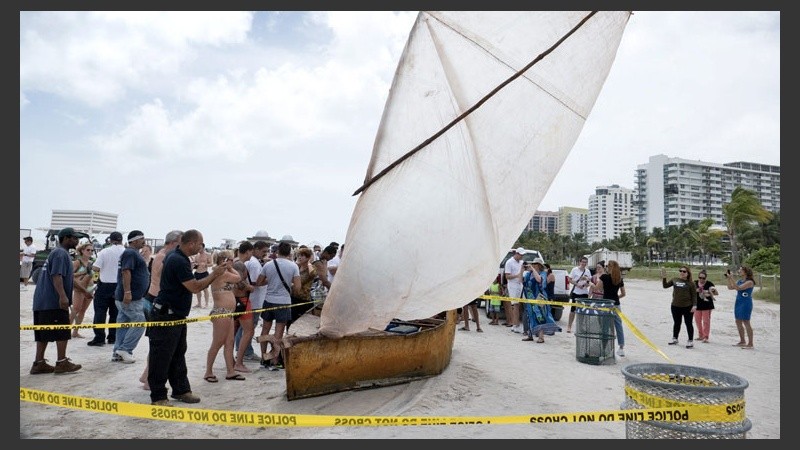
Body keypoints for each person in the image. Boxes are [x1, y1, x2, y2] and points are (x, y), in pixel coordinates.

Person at [147, 229, 229, 406]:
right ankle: (159, 396)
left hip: (174, 314)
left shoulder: (179, 257)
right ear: (191, 243)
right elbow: (194, 287)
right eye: (200, 244)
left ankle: (181, 390)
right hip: (166, 316)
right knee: (161, 357)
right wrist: (214, 274)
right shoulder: (177, 259)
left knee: (177, 354)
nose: (201, 248)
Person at [30, 227, 89, 375]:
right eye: (75, 238)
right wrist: (63, 297)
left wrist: (83, 291)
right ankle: (62, 362)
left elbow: (66, 278)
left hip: (43, 301)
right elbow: (56, 276)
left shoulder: (59, 254)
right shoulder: (60, 254)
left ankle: (39, 363)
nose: (77, 241)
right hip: (53, 301)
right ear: (66, 238)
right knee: (62, 331)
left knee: (44, 332)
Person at [140, 230, 183, 390]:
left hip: (152, 299)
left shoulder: (161, 255)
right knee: (159, 344)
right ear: (173, 242)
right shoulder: (165, 257)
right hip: (155, 302)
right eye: (180, 243)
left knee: (156, 343)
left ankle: (146, 375)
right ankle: (149, 380)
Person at [256, 241, 300, 371]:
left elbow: (259, 282)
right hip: (284, 302)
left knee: (265, 329)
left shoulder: (268, 265)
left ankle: (264, 358)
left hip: (269, 300)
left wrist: (271, 282)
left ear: (277, 251)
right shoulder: (293, 266)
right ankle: (274, 360)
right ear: (290, 252)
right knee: (278, 332)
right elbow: (297, 287)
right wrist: (289, 284)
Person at [204, 250, 245, 382]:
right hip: (221, 312)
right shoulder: (221, 273)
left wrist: (229, 267)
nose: (233, 262)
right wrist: (230, 267)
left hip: (228, 313)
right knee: (217, 342)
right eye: (231, 260)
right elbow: (238, 277)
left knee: (229, 342)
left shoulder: (223, 272)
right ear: (225, 260)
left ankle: (230, 371)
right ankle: (208, 372)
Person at [111, 230, 150, 364]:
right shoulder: (130, 253)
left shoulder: (133, 253)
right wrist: (128, 292)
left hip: (129, 296)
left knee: (123, 324)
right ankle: (125, 349)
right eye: (141, 238)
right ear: (133, 240)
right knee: (140, 322)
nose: (144, 241)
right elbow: (126, 272)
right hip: (129, 297)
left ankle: (117, 352)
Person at [88, 231, 125, 347]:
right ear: (121, 240)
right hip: (119, 285)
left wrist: (90, 265)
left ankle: (99, 338)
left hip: (104, 285)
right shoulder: (126, 252)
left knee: (100, 312)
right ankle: (112, 337)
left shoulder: (105, 252)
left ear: (110, 240)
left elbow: (96, 268)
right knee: (115, 313)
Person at [521, 258, 559, 343]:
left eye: (535, 264)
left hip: (540, 297)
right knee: (530, 315)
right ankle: (530, 335)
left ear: (539, 265)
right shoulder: (528, 274)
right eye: (533, 264)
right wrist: (521, 270)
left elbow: (539, 280)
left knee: (540, 315)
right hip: (530, 297)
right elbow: (520, 281)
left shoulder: (543, 274)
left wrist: (533, 270)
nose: (533, 265)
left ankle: (541, 337)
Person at [661, 265, 697, 348]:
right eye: (680, 271)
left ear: (688, 273)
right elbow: (665, 286)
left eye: (684, 271)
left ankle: (690, 340)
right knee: (677, 322)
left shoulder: (691, 283)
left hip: (687, 306)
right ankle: (675, 338)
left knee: (688, 323)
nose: (682, 273)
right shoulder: (675, 280)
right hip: (675, 305)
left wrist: (694, 305)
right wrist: (664, 278)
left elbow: (694, 296)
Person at [600, 260, 627, 357]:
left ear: (610, 267)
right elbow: (623, 294)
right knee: (618, 325)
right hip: (616, 304)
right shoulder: (619, 279)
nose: (606, 267)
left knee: (605, 326)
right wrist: (615, 298)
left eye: (607, 266)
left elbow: (597, 288)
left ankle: (604, 347)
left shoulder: (604, 277)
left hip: (606, 304)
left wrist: (590, 284)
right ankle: (621, 347)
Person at [69, 242, 95, 338]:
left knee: (83, 311)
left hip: (90, 288)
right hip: (80, 288)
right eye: (88, 250)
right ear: (82, 251)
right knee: (75, 309)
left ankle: (75, 331)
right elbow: (70, 275)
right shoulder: (77, 262)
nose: (90, 252)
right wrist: (84, 272)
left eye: (92, 250)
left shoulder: (92, 262)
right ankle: (66, 329)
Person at [726, 265, 756, 349]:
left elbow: (738, 288)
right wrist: (728, 278)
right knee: (738, 321)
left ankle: (750, 343)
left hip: (746, 302)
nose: (739, 271)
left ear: (745, 272)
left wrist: (732, 278)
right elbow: (729, 287)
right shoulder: (740, 280)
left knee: (746, 322)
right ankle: (742, 341)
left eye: (740, 270)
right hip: (739, 302)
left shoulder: (750, 282)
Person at [566, 256, 591, 333]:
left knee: (583, 311)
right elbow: (569, 279)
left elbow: (589, 281)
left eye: (585, 262)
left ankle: (581, 327)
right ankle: (569, 326)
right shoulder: (574, 270)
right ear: (579, 262)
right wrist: (577, 284)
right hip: (576, 292)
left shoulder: (587, 271)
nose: (583, 263)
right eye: (582, 262)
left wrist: (587, 284)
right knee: (573, 310)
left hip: (584, 293)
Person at [504, 248, 525, 333]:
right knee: (515, 305)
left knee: (519, 305)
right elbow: (507, 276)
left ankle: (516, 324)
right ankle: (516, 324)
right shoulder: (509, 262)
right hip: (513, 285)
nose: (522, 256)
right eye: (521, 254)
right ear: (516, 253)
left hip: (520, 284)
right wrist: (517, 275)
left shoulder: (521, 262)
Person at [694, 269, 718, 343]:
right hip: (697, 304)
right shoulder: (694, 283)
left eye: (703, 278)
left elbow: (716, 293)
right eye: (700, 277)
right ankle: (700, 335)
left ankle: (705, 337)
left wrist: (709, 292)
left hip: (707, 305)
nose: (701, 279)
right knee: (697, 321)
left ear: (706, 278)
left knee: (706, 321)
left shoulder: (709, 284)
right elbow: (690, 291)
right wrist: (696, 290)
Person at [191, 243, 212, 308]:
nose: (199, 249)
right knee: (197, 289)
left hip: (204, 273)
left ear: (203, 248)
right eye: (198, 248)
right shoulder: (196, 255)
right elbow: (195, 263)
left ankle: (206, 304)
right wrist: (194, 264)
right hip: (197, 273)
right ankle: (199, 303)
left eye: (200, 248)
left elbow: (211, 264)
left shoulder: (208, 255)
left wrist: (205, 265)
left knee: (205, 289)